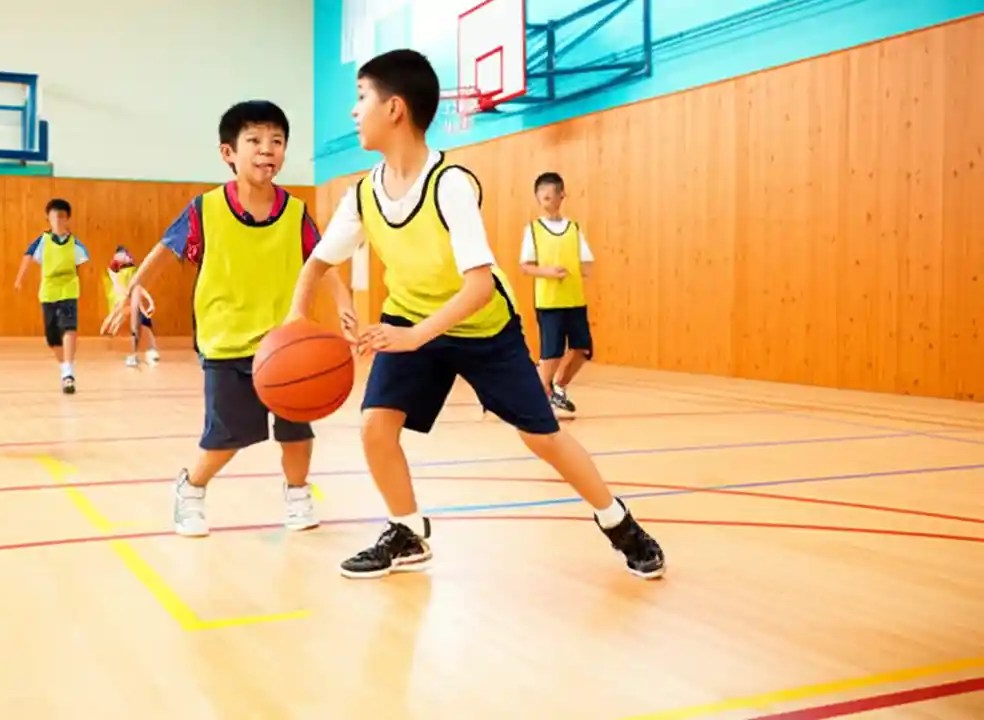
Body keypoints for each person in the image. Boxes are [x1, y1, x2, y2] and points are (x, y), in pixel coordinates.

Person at [285, 48, 664, 580]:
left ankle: (618, 521)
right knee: (375, 426)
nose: (353, 111)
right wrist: (298, 318)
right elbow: (320, 260)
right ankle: (407, 531)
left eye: (361, 96)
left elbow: (480, 288)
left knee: (541, 436)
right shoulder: (363, 193)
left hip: (481, 326)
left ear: (394, 108)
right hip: (410, 317)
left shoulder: (451, 185)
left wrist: (415, 337)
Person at [103, 100, 352, 537]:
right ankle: (191, 489)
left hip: (284, 341)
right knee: (227, 434)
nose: (266, 150)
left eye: (276, 141)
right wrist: (133, 288)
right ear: (228, 153)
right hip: (225, 339)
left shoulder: (294, 212)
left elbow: (321, 259)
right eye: (254, 140)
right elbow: (166, 250)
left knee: (297, 428)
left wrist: (343, 302)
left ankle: (297, 495)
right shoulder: (206, 209)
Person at [519, 172, 594, 413]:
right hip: (549, 302)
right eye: (542, 198)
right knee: (551, 353)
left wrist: (582, 269)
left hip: (574, 299)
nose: (547, 202)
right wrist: (548, 271)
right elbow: (525, 266)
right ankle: (540, 396)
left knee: (583, 349)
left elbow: (586, 263)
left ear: (562, 195)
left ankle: (559, 387)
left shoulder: (574, 228)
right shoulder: (533, 230)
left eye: (551, 197)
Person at [14, 198, 90, 394]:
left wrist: (85, 288)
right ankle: (65, 367)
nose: (59, 220)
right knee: (52, 337)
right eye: (55, 216)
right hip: (48, 291)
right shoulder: (42, 241)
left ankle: (68, 373)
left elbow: (84, 266)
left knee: (69, 327)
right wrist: (20, 278)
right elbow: (27, 256)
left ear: (68, 219)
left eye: (62, 217)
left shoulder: (75, 244)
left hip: (68, 290)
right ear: (48, 218)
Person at [106, 246, 160, 367]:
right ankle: (134, 353)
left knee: (144, 324)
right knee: (129, 326)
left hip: (135, 301)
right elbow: (117, 284)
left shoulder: (133, 271)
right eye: (121, 256)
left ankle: (150, 349)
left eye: (126, 255)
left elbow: (139, 287)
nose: (125, 258)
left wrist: (149, 301)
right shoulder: (115, 273)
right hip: (124, 301)